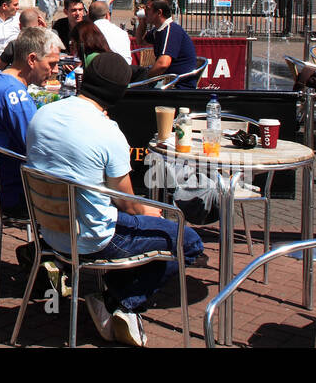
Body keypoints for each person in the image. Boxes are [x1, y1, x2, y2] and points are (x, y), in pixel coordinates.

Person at [26, 52, 204, 346]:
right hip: (94, 239)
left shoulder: (43, 114)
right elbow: (129, 205)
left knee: (156, 222)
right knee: (188, 240)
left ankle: (113, 297)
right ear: (120, 92)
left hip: (51, 232)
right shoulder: (109, 132)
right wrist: (154, 213)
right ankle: (121, 299)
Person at [0, 27, 62, 216]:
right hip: (16, 191)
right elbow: (36, 147)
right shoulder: (15, 96)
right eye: (52, 63)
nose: (55, 71)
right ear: (32, 60)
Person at [143, 0, 198, 88]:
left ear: (159, 12)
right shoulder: (158, 30)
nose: (145, 12)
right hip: (165, 79)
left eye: (148, 9)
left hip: (176, 84)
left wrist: (144, 79)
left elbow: (163, 64)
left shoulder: (171, 30)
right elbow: (140, 41)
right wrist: (142, 22)